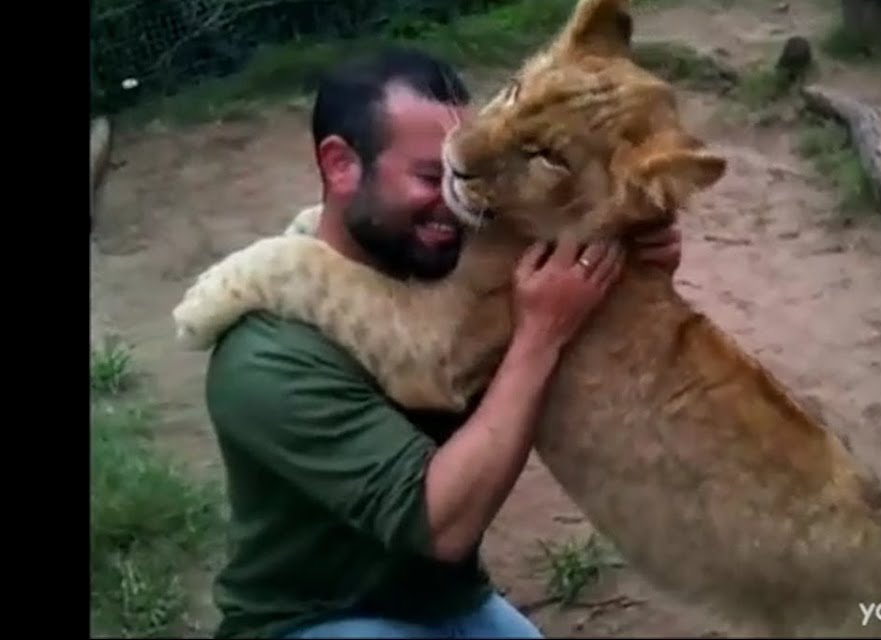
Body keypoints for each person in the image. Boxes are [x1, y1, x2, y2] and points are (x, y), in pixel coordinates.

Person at [203, 47, 683, 640]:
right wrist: (539, 334)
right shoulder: (266, 356)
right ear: (340, 166)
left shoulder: (428, 263)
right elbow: (442, 524)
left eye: (465, 170)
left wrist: (634, 260)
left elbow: (567, 333)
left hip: (438, 599)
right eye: (433, 177)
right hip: (317, 618)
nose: (459, 203)